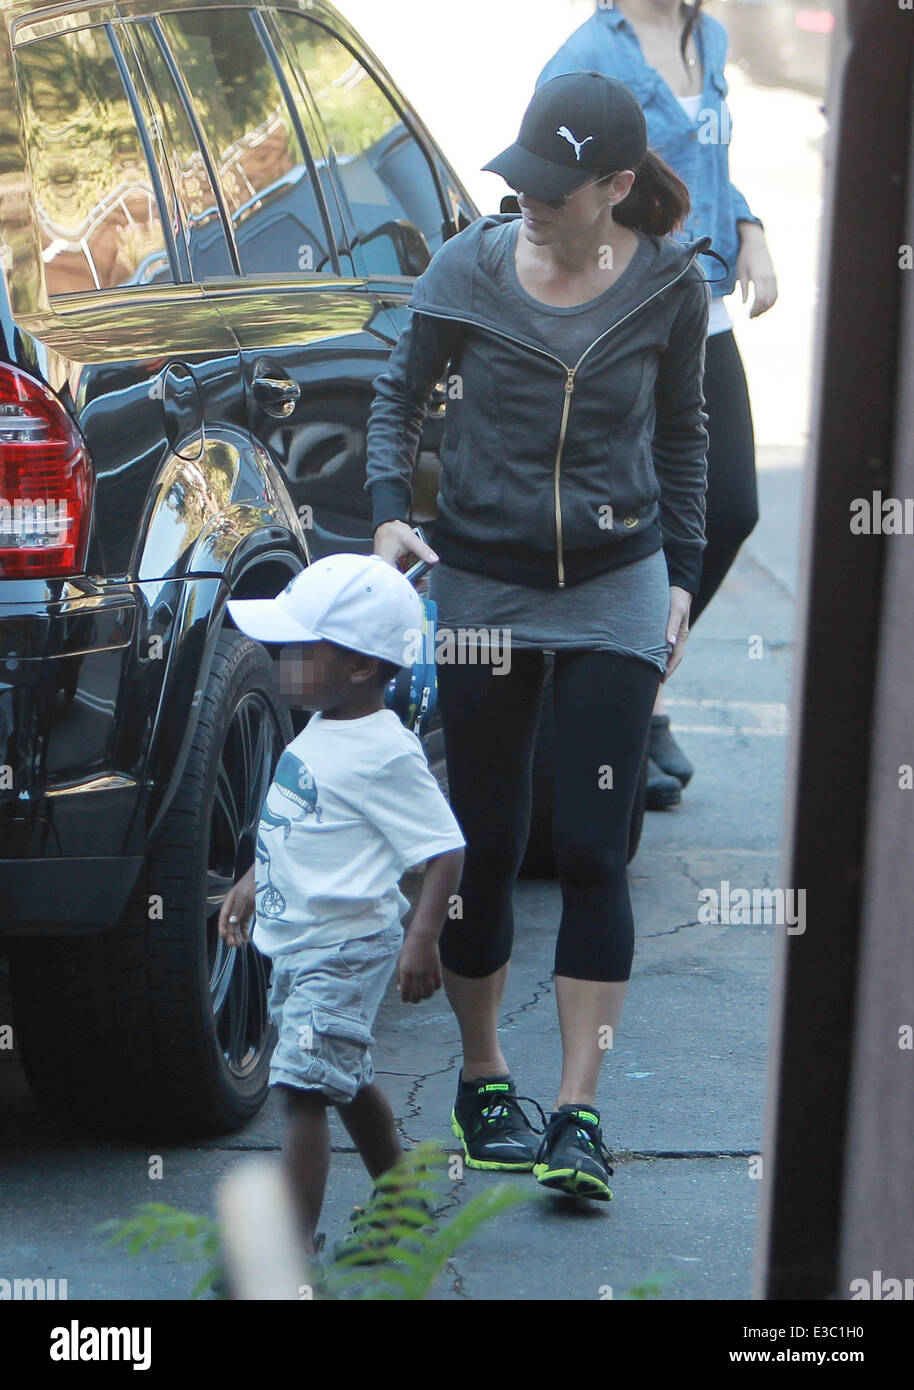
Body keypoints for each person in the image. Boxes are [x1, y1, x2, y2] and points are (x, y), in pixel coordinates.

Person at [367, 72, 710, 1200]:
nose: (530, 202)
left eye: (556, 190)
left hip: (616, 581)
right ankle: (482, 1078)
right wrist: (387, 513)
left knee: (592, 847)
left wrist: (682, 579)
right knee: (488, 831)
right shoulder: (466, 271)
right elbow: (395, 400)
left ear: (615, 186)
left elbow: (682, 438)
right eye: (520, 180)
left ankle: (576, 1115)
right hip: (485, 584)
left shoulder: (664, 287)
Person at [539, 0, 778, 808]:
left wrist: (749, 224)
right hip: (625, 315)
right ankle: (622, 712)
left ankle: (641, 679)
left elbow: (703, 164)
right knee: (631, 513)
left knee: (732, 506)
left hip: (702, 304)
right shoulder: (586, 50)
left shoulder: (706, 35)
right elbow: (549, 177)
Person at [218, 553, 465, 1255]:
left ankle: (293, 1253)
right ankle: (401, 1205)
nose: (281, 656)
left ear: (359, 666)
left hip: (344, 947)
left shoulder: (385, 750)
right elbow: (299, 825)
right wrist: (250, 883)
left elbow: (445, 848)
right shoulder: (324, 724)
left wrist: (423, 939)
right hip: (306, 942)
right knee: (345, 1080)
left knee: (300, 1091)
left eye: (299, 647)